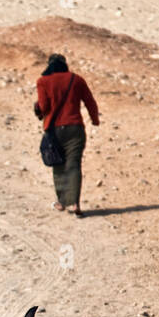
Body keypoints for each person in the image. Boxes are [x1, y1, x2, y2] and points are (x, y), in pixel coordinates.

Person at [34, 53, 99, 216]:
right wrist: (95, 119)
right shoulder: (76, 80)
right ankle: (75, 204)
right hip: (75, 128)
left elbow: (43, 106)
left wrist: (38, 110)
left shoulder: (43, 81)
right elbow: (90, 101)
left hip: (54, 130)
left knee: (58, 165)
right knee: (74, 165)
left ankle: (62, 202)